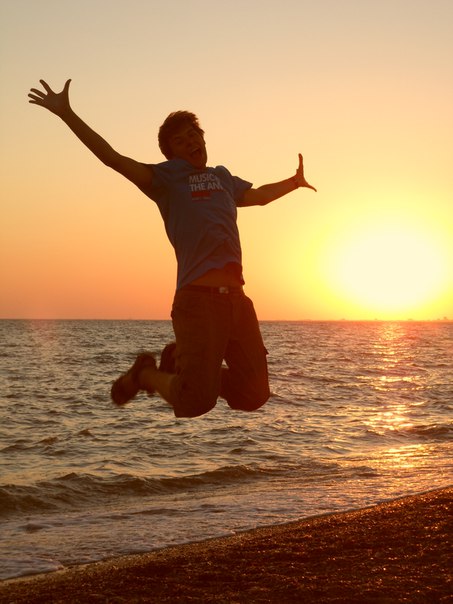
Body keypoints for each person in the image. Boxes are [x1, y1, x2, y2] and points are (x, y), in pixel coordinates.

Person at [28, 79, 317, 418]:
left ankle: (184, 364)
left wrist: (294, 182)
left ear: (203, 139)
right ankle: (146, 374)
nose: (191, 141)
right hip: (198, 301)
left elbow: (259, 196)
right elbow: (112, 159)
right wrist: (66, 114)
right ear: (171, 152)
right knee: (195, 401)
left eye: (194, 135)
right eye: (180, 140)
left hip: (238, 302)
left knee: (253, 394)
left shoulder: (223, 177)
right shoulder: (166, 180)